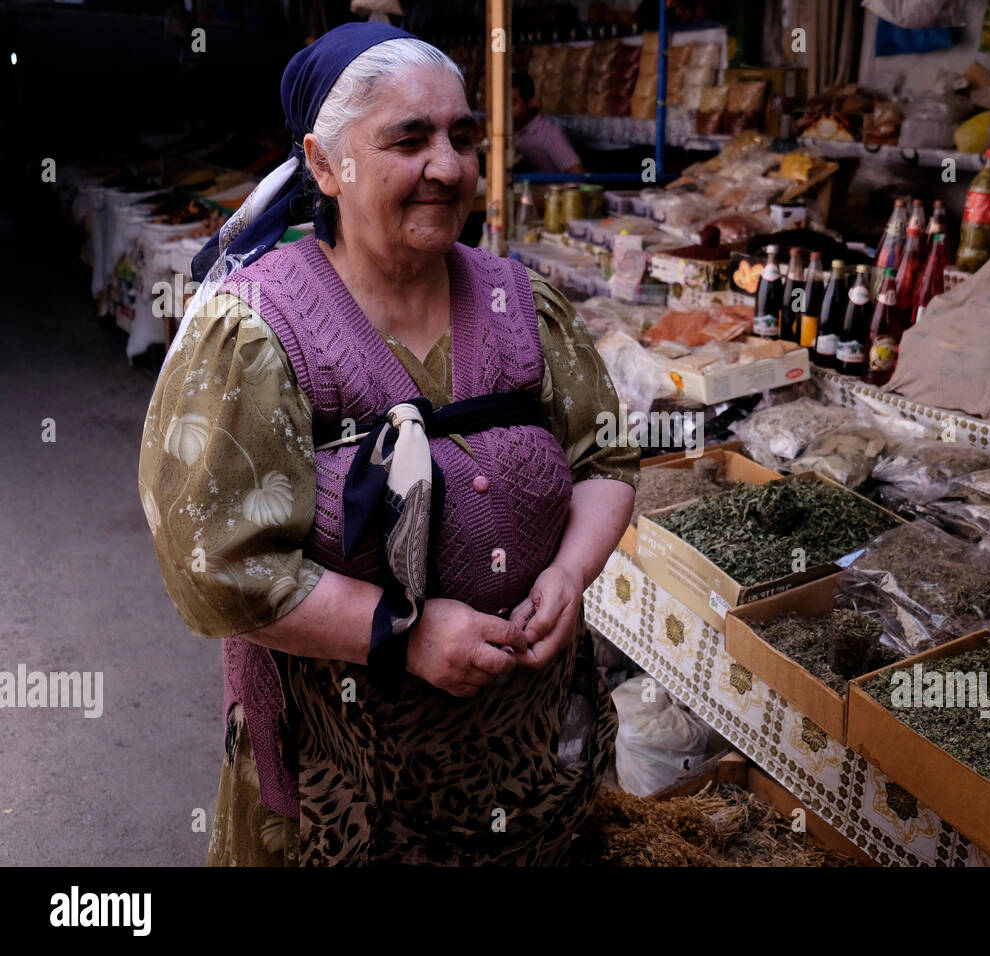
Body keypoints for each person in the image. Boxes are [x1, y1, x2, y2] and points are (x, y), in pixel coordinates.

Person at [138, 22, 636, 866]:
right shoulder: (257, 332)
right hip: (349, 783)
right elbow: (216, 566)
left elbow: (605, 460)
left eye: (462, 137)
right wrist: (401, 633)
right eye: (409, 139)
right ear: (325, 165)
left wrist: (568, 572)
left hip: (527, 761)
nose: (447, 166)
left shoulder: (523, 304)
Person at [511, 71, 584, 174]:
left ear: (531, 103)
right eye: (502, 102)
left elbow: (578, 175)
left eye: (513, 103)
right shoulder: (499, 131)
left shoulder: (549, 134)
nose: (505, 109)